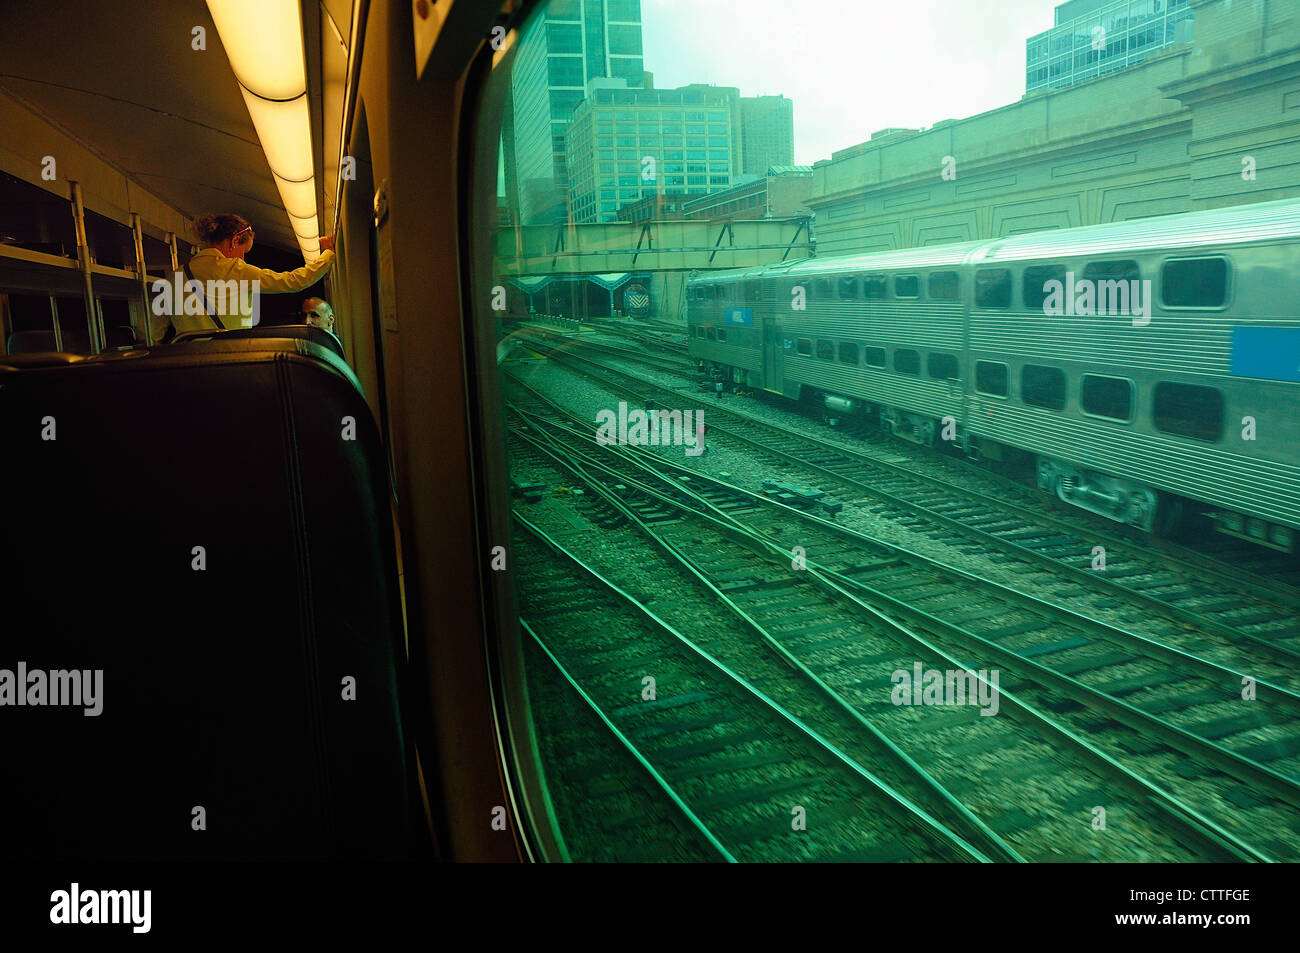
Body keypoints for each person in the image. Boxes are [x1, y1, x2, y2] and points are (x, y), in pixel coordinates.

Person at [168, 214, 336, 336]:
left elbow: (158, 330)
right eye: (244, 251)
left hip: (188, 363)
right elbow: (294, 281)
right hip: (226, 359)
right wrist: (328, 254)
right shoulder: (234, 270)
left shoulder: (176, 276)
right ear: (234, 241)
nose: (242, 258)